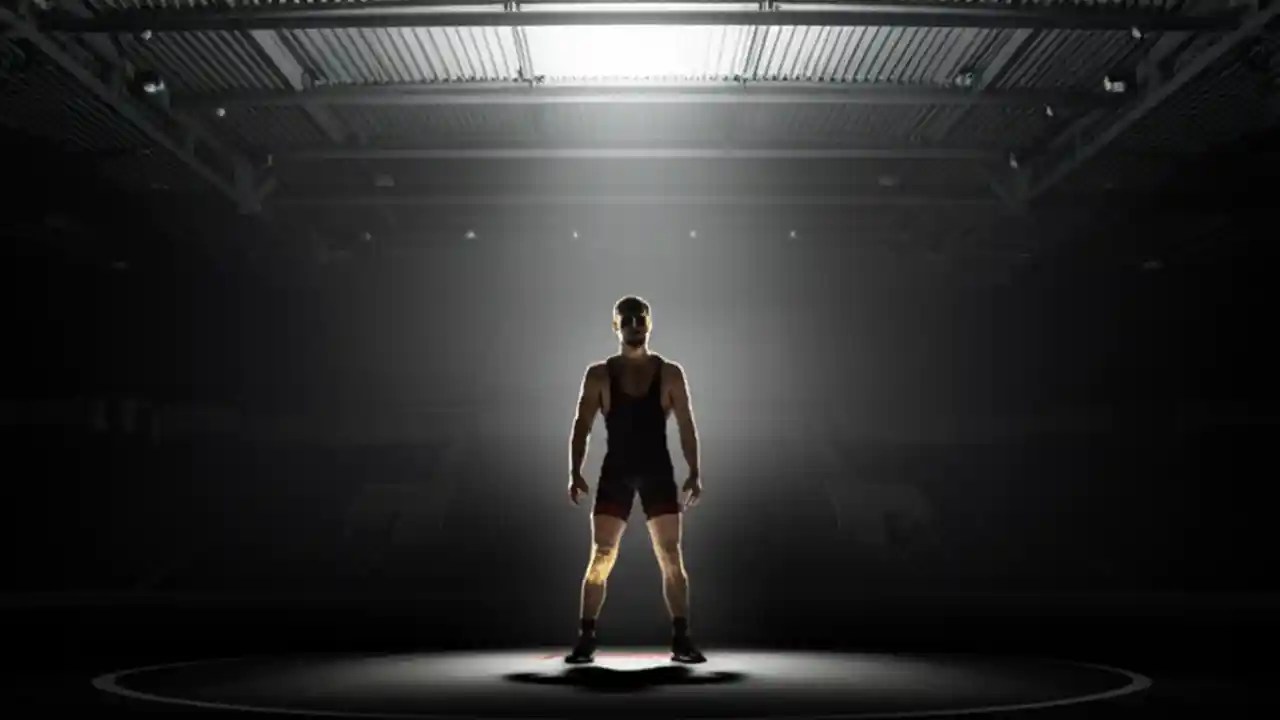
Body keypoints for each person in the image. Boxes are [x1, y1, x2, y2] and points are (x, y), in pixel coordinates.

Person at [564, 296, 706, 664]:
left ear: (649, 323)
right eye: (626, 318)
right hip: (617, 473)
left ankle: (681, 637)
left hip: (658, 471)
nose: (634, 323)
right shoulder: (599, 374)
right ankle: (586, 636)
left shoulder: (670, 373)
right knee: (601, 555)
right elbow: (582, 425)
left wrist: (694, 471)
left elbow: (687, 425)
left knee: (671, 555)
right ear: (616, 326)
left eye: (640, 317)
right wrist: (574, 470)